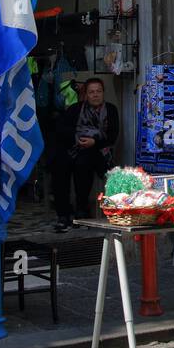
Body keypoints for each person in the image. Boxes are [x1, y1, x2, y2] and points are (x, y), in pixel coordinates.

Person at [50, 77, 119, 233]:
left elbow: (112, 136)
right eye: (91, 92)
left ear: (103, 93)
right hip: (74, 147)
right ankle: (63, 214)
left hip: (99, 151)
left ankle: (82, 210)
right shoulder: (75, 109)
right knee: (59, 164)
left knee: (84, 162)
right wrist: (77, 139)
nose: (95, 95)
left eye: (98, 91)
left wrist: (94, 142)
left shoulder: (111, 110)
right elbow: (61, 131)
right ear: (86, 95)